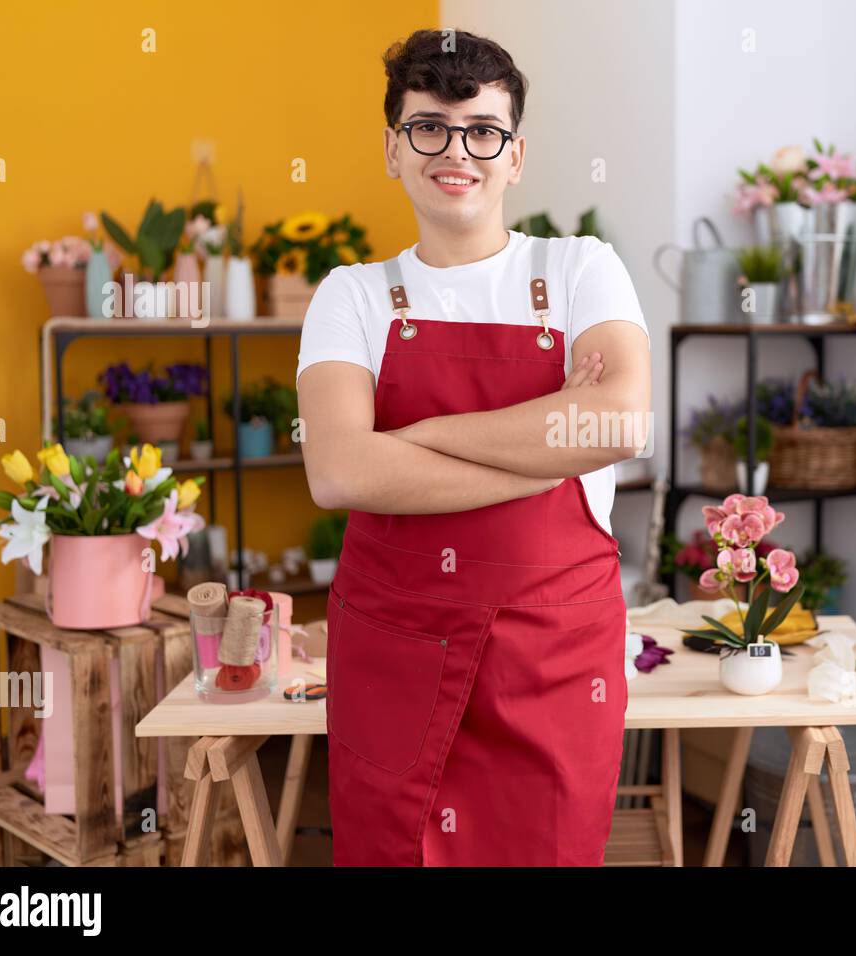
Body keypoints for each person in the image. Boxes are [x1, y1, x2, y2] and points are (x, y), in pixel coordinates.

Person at [295, 28, 652, 866]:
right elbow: (340, 470)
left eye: (482, 130)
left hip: (555, 664)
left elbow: (615, 426)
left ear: (515, 154)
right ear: (393, 146)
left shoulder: (578, 270)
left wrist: (410, 443)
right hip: (394, 656)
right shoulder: (350, 296)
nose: (457, 151)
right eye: (429, 126)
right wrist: (542, 434)